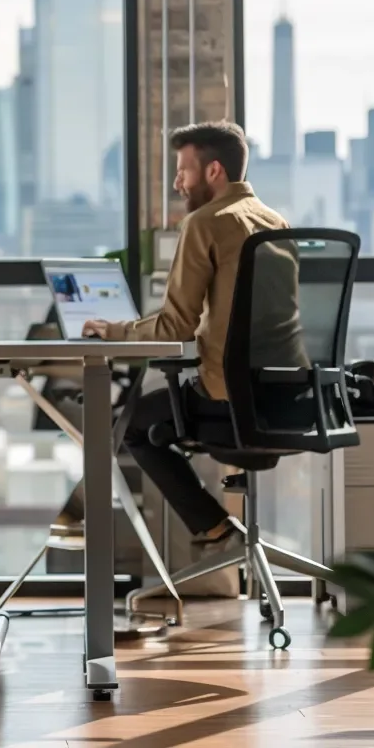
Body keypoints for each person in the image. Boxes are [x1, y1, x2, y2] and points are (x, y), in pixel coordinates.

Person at [58, 121, 289, 547]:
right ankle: (208, 525)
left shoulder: (205, 223)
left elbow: (175, 326)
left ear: (214, 171)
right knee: (146, 412)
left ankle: (212, 525)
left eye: (183, 170)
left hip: (228, 400)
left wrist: (112, 331)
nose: (177, 183)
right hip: (282, 399)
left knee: (128, 424)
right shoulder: (274, 222)